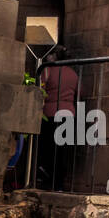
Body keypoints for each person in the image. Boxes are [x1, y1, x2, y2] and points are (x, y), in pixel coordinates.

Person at [37, 45, 81, 190]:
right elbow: (79, 93)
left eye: (50, 54)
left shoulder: (47, 70)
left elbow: (40, 90)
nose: (47, 57)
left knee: (47, 148)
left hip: (51, 113)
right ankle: (59, 184)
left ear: (54, 57)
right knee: (61, 151)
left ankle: (46, 179)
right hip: (69, 114)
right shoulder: (73, 74)